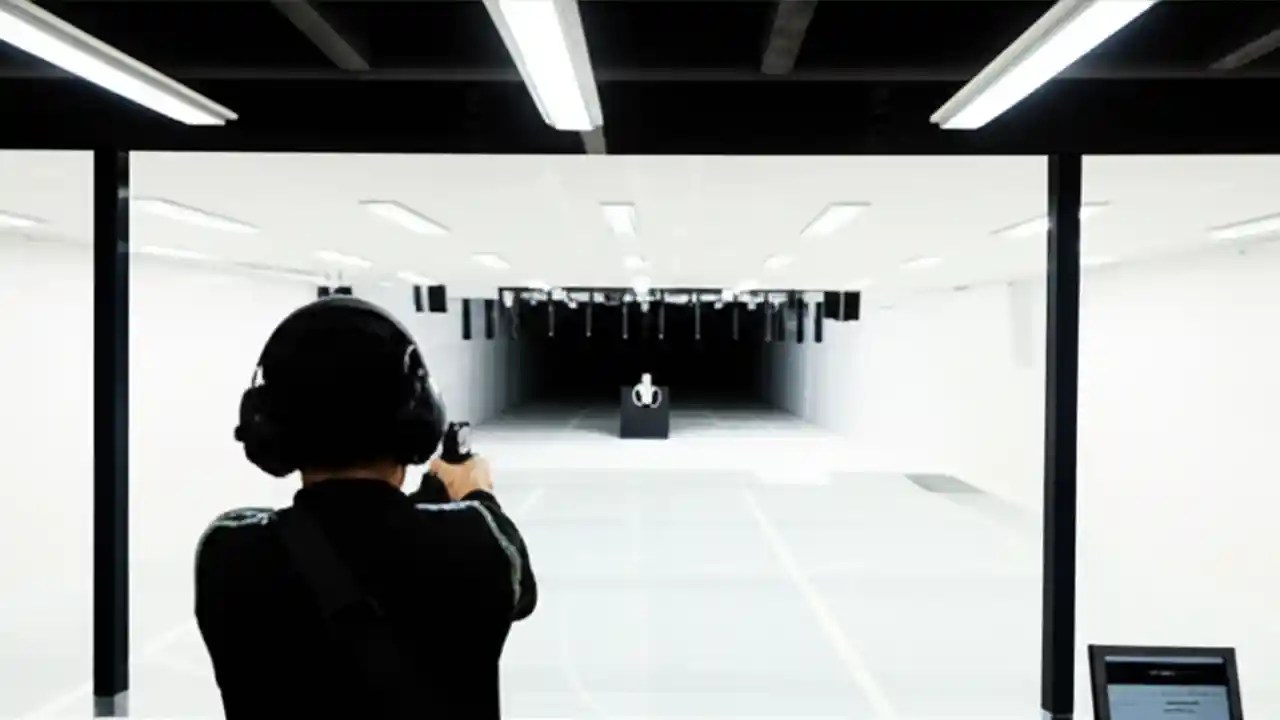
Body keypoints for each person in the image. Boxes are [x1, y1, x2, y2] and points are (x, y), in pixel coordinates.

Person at [195, 296, 536, 719]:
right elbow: (511, 580)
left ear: (268, 423)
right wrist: (475, 493)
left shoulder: (230, 551)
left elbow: (350, 537)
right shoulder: (480, 539)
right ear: (419, 419)